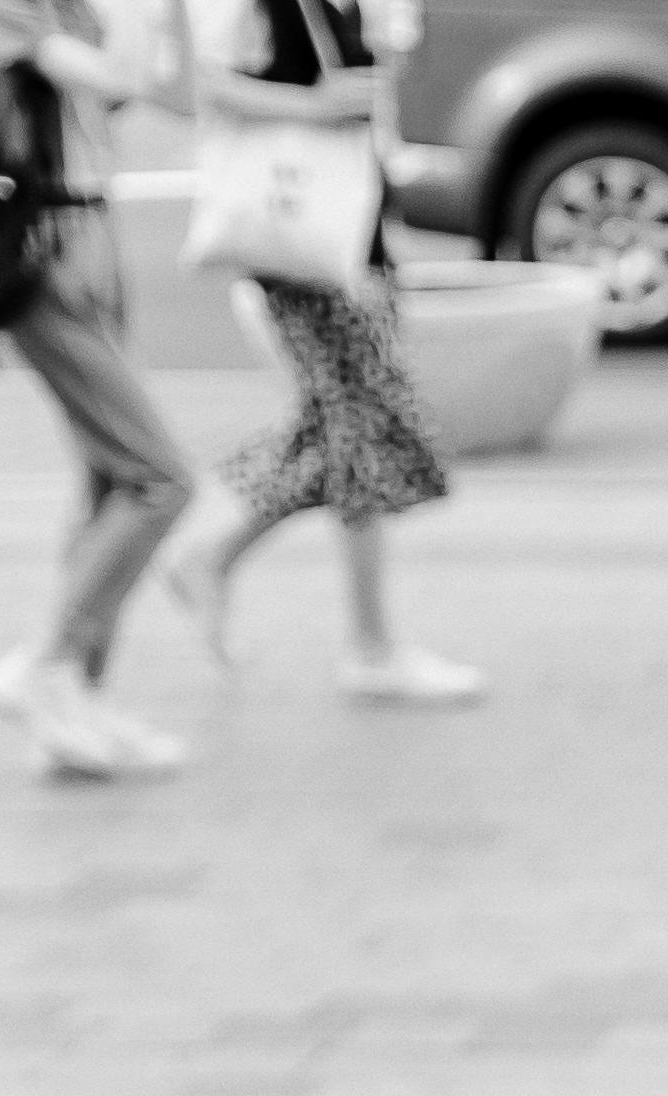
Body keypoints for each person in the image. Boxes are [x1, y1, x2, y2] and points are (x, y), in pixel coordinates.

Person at [152, 0, 482, 706]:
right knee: (364, 424)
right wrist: (312, 105)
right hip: (297, 238)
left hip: (353, 225)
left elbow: (379, 96)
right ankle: (369, 646)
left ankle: (214, 560)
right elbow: (198, 91)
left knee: (342, 426)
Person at [0, 0, 196, 780]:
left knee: (108, 481)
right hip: (45, 258)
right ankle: (47, 663)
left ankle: (74, 708)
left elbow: (176, 96)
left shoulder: (76, 6)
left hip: (96, 242)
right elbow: (105, 76)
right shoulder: (10, 6)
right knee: (162, 478)